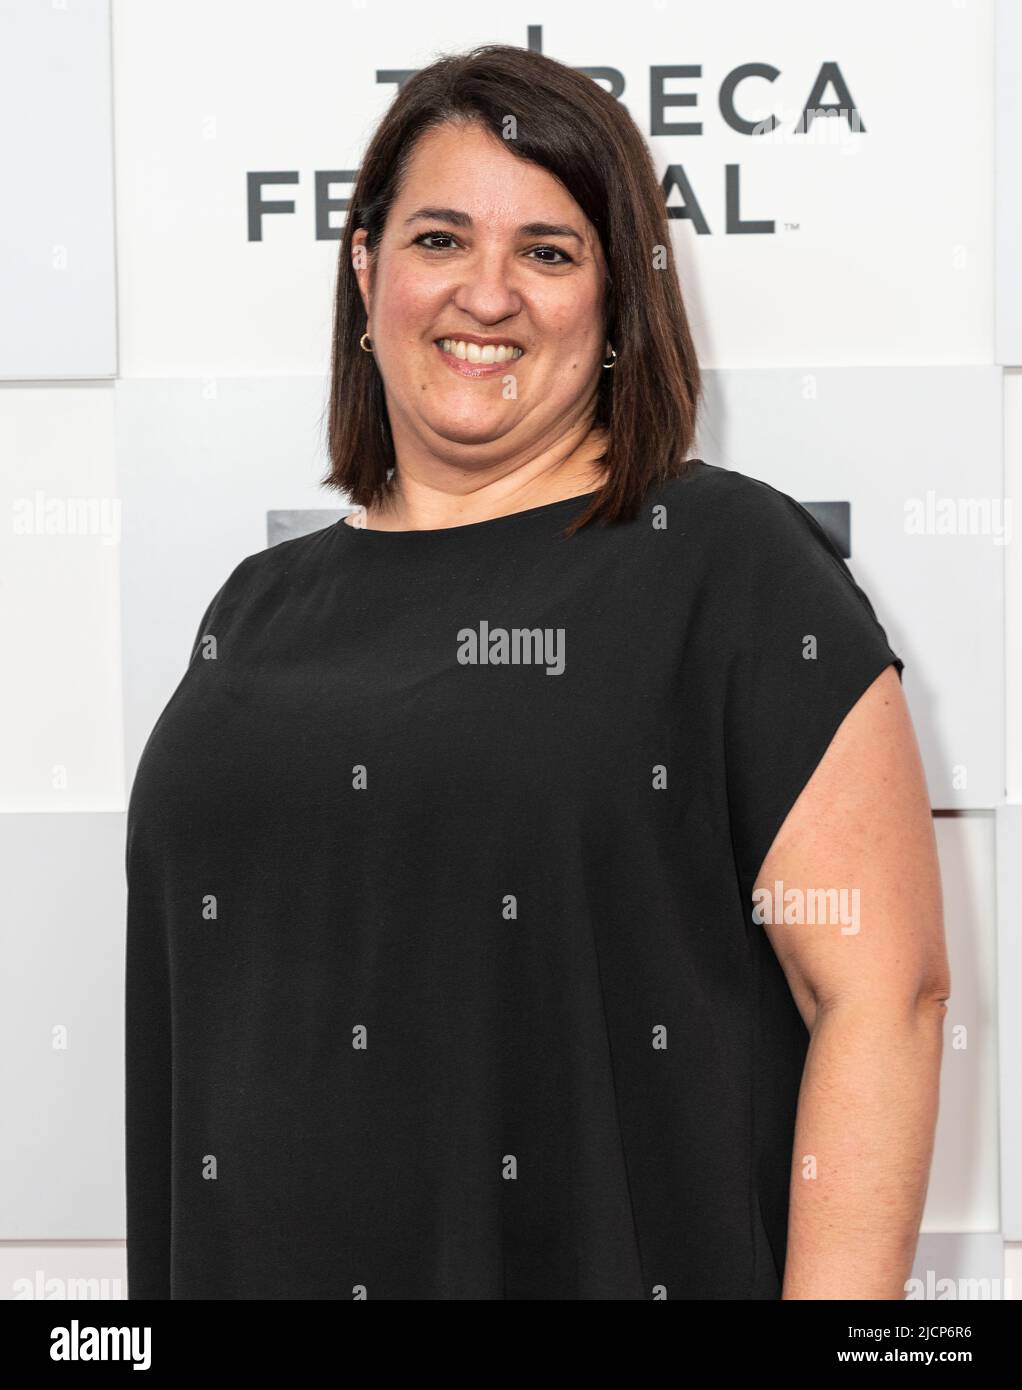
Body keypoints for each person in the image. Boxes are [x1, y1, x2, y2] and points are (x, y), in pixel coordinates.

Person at [125, 43, 948, 1300]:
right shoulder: (256, 606)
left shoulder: (722, 565)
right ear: (364, 268)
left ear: (616, 300)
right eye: (440, 240)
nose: (487, 294)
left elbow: (881, 998)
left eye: (548, 252)